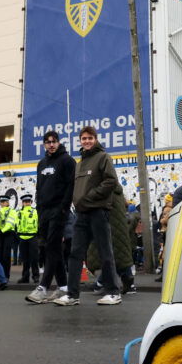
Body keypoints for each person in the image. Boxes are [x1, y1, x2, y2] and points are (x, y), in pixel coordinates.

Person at [53, 126, 123, 306]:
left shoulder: (103, 157)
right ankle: (72, 295)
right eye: (84, 138)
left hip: (98, 211)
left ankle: (113, 292)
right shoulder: (80, 163)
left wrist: (89, 197)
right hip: (81, 214)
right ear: (80, 141)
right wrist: (76, 202)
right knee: (75, 253)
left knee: (104, 252)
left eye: (90, 138)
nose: (87, 141)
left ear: (95, 139)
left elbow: (111, 181)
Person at [28, 130, 74, 304]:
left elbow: (71, 187)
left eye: (54, 141)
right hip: (44, 212)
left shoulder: (67, 161)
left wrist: (63, 208)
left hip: (59, 211)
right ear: (44, 144)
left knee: (52, 248)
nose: (51, 144)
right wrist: (39, 209)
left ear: (59, 142)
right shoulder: (41, 164)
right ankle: (63, 287)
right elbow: (39, 189)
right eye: (48, 142)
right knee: (52, 249)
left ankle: (43, 287)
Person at [14, 193, 40, 284]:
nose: (27, 203)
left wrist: (39, 236)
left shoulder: (35, 211)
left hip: (33, 237)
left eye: (28, 201)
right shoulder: (19, 212)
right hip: (22, 237)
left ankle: (36, 276)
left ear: (31, 202)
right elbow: (16, 225)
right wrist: (17, 236)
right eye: (25, 201)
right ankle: (25, 277)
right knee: (25, 259)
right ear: (22, 203)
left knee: (34, 258)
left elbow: (39, 224)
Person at [0, 192, 20, 281]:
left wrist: (1, 231)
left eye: (4, 201)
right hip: (0, 234)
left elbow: (10, 224)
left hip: (8, 234)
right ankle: (1, 276)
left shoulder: (12, 211)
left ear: (8, 202)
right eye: (1, 202)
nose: (3, 203)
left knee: (6, 256)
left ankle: (6, 275)